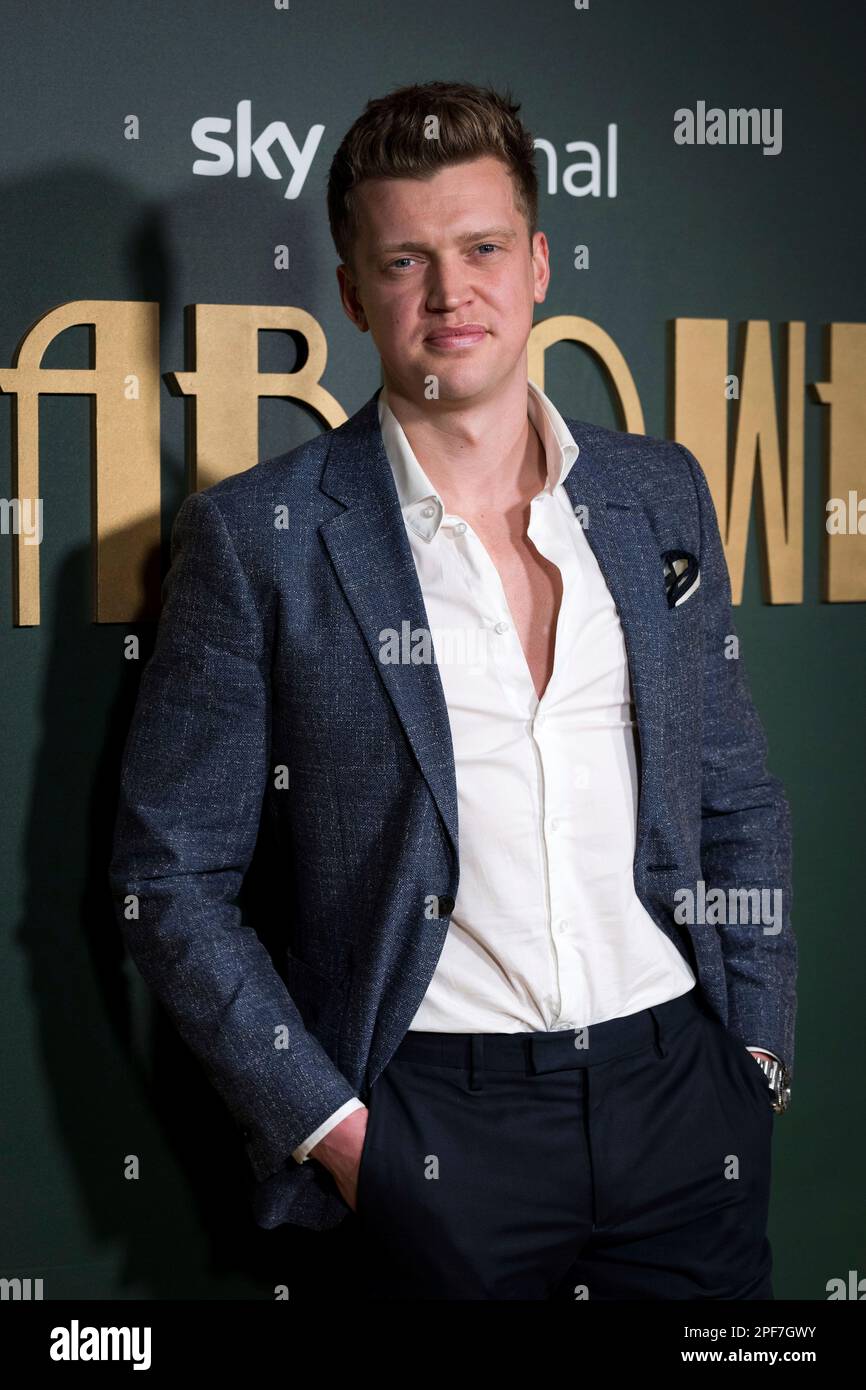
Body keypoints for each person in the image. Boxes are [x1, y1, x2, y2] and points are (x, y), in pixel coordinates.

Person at [108, 80, 796, 1300]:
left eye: (480, 249)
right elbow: (170, 881)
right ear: (352, 290)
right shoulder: (260, 537)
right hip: (430, 1118)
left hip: (682, 1097)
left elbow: (735, 796)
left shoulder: (659, 494)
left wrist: (754, 1063)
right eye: (405, 260)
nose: (448, 293)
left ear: (536, 263)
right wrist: (337, 1135)